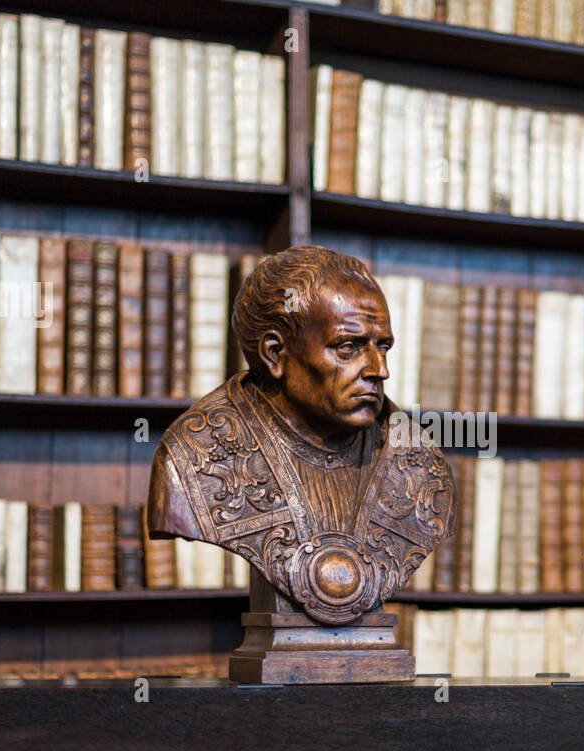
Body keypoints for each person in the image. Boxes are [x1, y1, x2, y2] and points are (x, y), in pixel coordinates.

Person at [147, 246, 455, 625]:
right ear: (276, 354)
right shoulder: (193, 460)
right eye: (348, 347)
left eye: (383, 347)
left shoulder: (421, 467)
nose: (379, 370)